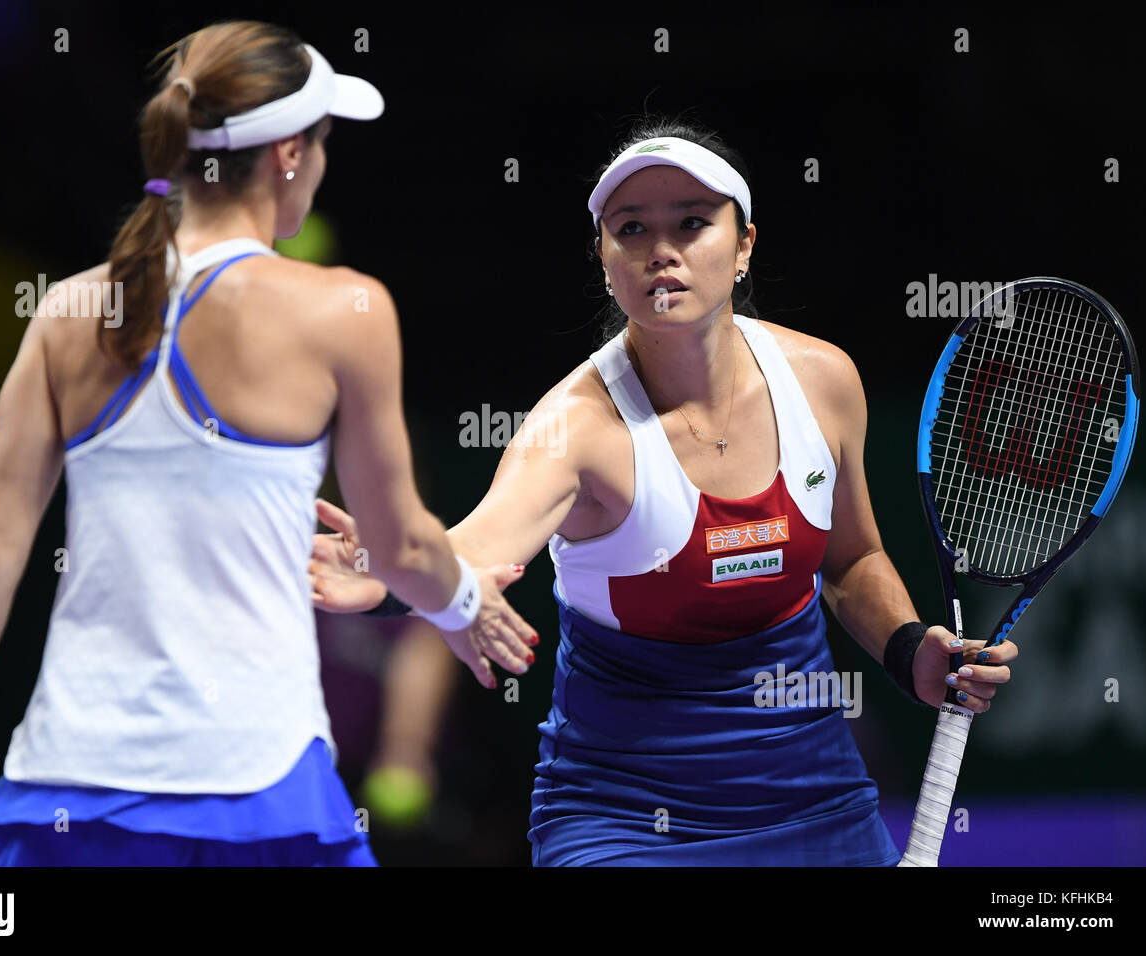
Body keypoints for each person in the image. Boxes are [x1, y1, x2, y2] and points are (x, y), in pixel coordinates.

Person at [0, 20, 535, 868]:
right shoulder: (345, 308)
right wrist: (465, 607)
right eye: (325, 141)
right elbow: (404, 544)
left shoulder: (67, 311)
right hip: (258, 795)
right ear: (291, 152)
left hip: (59, 789)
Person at [308, 116, 1019, 865]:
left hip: (813, 801)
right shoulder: (576, 428)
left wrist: (910, 649)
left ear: (745, 246)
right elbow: (476, 548)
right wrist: (385, 568)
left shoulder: (824, 382)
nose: (661, 251)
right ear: (604, 257)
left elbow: (851, 557)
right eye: (632, 229)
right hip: (624, 819)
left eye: (692, 223)